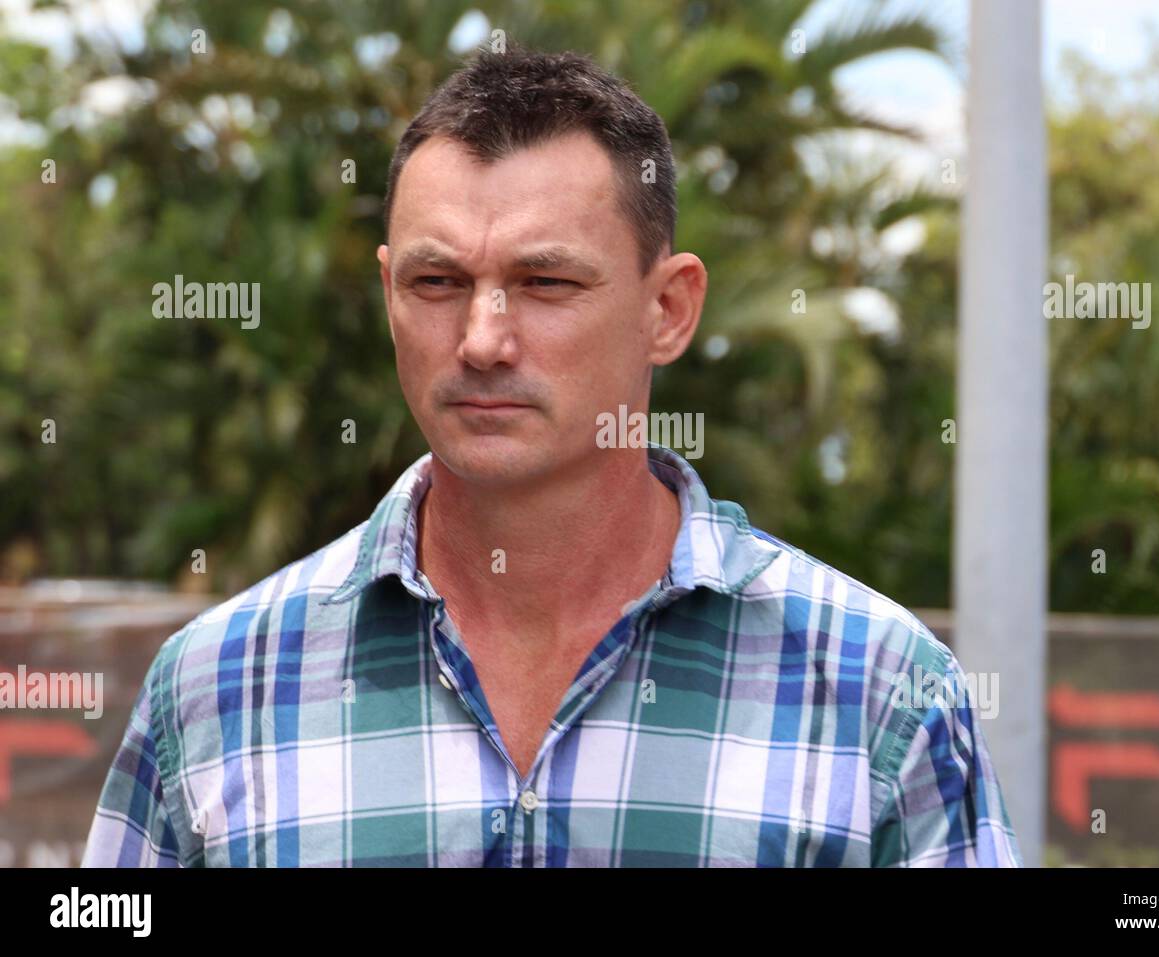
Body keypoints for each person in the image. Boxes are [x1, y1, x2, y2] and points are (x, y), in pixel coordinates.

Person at [82, 41, 1021, 867]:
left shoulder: (876, 694)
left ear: (669, 309)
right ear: (388, 295)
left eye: (546, 281)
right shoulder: (218, 690)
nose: (483, 339)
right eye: (438, 280)